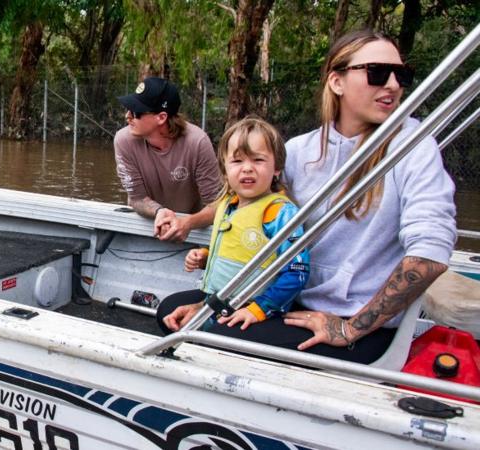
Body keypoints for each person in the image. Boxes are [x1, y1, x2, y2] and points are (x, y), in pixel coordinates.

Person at [162, 30, 456, 364]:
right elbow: (245, 199)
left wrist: (351, 329)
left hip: (355, 325)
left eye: (400, 75)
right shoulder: (301, 149)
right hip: (293, 300)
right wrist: (189, 222)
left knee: (197, 331)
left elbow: (430, 255)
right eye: (377, 73)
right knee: (174, 311)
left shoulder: (415, 148)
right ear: (337, 81)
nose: (392, 85)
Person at [158, 116, 309, 334]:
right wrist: (205, 256)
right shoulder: (229, 205)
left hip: (256, 308)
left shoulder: (279, 213)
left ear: (276, 168)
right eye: (237, 161)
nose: (247, 169)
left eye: (258, 160)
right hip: (221, 301)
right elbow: (241, 251)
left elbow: (298, 272)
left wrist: (258, 309)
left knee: (207, 333)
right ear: (225, 169)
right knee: (169, 315)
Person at [114, 77, 222, 242]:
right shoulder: (123, 140)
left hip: (192, 232)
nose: (127, 116)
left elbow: (217, 204)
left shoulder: (197, 142)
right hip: (147, 225)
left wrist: (187, 223)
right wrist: (160, 211)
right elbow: (137, 198)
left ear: (161, 117)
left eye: (135, 112)